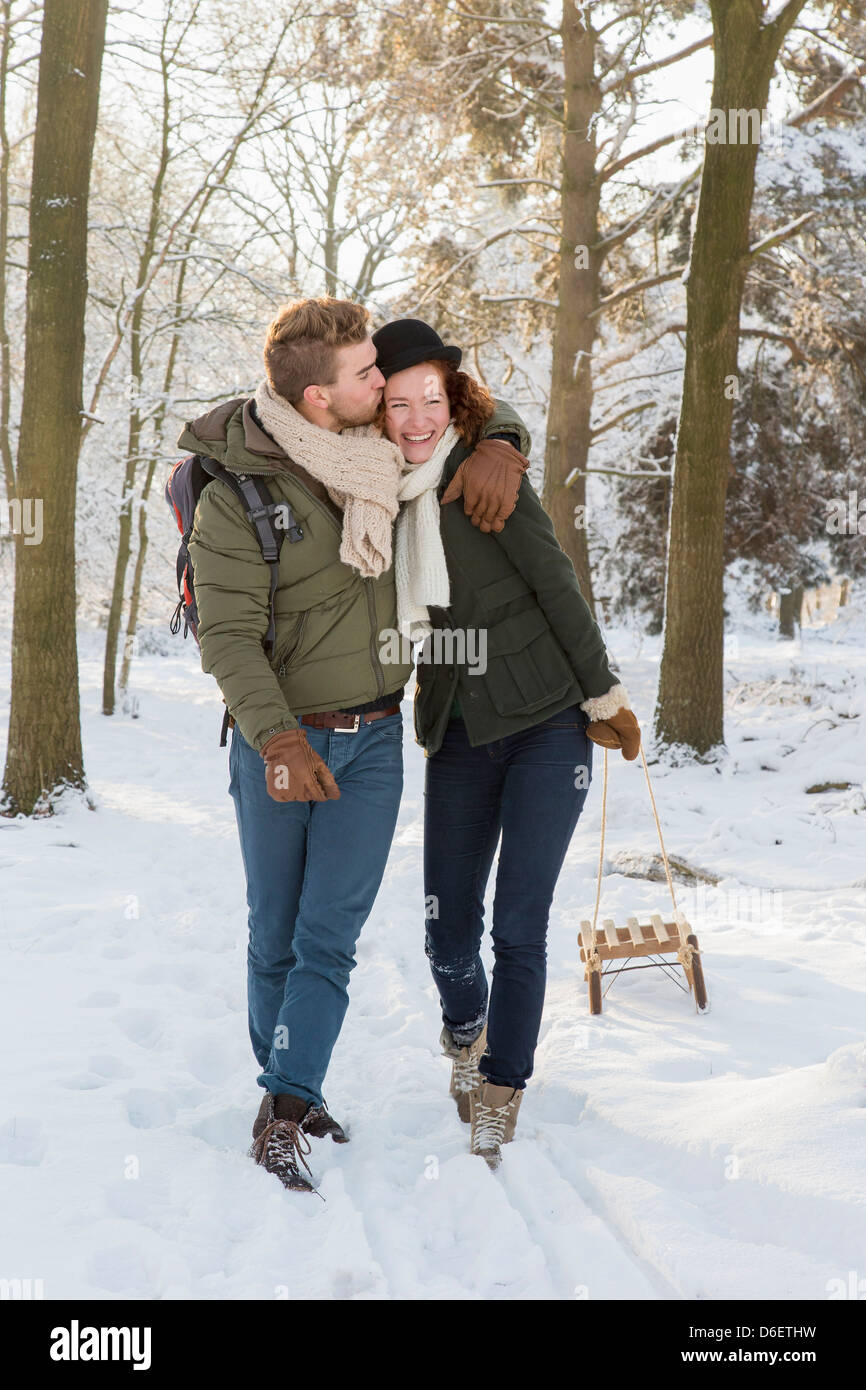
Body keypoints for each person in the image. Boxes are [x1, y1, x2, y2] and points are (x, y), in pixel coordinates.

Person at [181, 297, 529, 1194]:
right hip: (279, 747)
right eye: (368, 375)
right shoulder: (241, 496)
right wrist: (278, 738)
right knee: (273, 937)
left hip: (373, 739)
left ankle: (285, 1108)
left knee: (327, 937)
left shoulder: (387, 463)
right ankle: (292, 1085)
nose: (387, 384)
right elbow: (227, 640)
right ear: (317, 400)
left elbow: (464, 402)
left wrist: (504, 444)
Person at [371, 317, 641, 1170]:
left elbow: (555, 583)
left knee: (520, 925)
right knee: (447, 928)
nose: (417, 419)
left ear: (456, 401)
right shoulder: (374, 493)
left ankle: (502, 1084)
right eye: (400, 403)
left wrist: (603, 693)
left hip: (548, 722)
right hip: (456, 726)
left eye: (434, 400)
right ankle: (465, 1029)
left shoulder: (486, 479)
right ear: (375, 408)